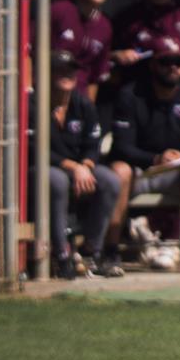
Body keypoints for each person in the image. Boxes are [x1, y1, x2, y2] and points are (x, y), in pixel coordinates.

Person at [106, 36, 180, 287]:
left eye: (178, 62)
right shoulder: (131, 95)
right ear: (153, 65)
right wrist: (155, 158)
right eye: (166, 62)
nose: (173, 67)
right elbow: (121, 146)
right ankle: (109, 254)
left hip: (179, 175)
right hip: (141, 172)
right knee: (118, 171)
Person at [44, 50, 121, 280]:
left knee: (109, 180)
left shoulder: (82, 104)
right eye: (59, 69)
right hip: (48, 167)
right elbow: (33, 148)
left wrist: (86, 165)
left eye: (70, 70)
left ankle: (91, 251)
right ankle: (62, 255)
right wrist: (72, 166)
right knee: (56, 181)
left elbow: (92, 142)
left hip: (79, 167)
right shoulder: (34, 103)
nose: (65, 74)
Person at [50, 0, 115, 104]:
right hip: (49, 94)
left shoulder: (105, 26)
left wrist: (88, 109)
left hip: (79, 98)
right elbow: (29, 51)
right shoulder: (59, 10)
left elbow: (95, 76)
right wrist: (30, 91)